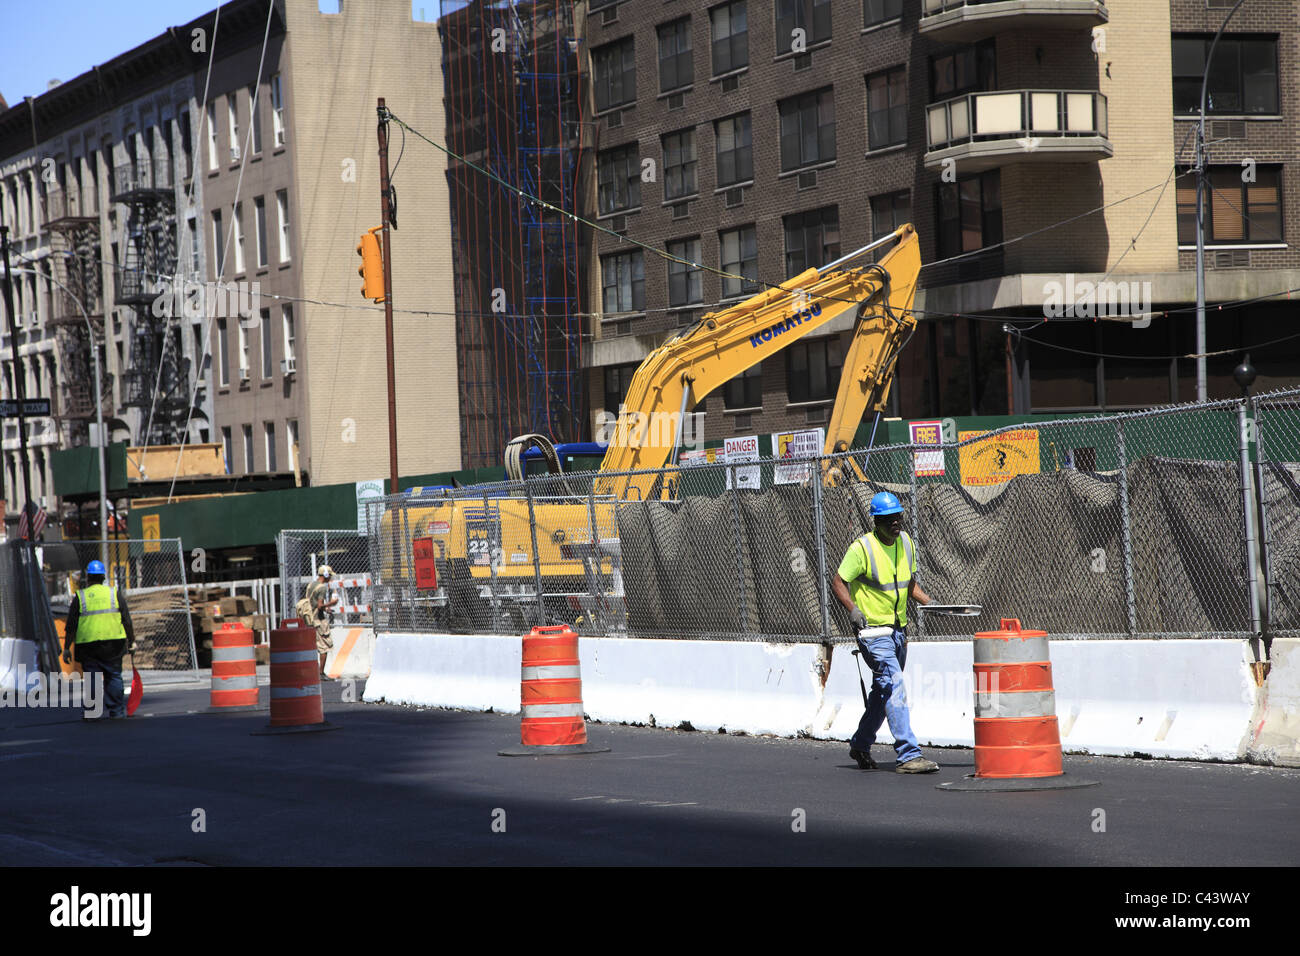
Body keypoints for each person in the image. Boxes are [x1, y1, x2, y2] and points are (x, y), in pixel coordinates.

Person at [830, 491, 940, 774]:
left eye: (898, 517)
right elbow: (839, 581)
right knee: (895, 684)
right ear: (876, 521)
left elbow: (908, 583)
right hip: (872, 634)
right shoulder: (862, 548)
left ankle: (861, 743)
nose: (895, 522)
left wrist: (931, 603)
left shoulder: (906, 544)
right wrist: (852, 609)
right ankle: (908, 754)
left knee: (884, 690)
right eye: (889, 519)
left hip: (898, 632)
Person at [63, 560, 136, 721]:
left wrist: (67, 648)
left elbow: (71, 626)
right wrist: (132, 641)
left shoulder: (80, 596)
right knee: (114, 676)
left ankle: (92, 711)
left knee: (92, 678)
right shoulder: (113, 593)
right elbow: (127, 620)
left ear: (88, 578)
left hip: (89, 646)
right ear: (103, 577)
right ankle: (116, 711)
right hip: (113, 644)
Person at [296, 565, 339, 679]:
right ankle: (321, 673)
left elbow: (312, 602)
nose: (330, 578)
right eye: (329, 575)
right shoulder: (322, 588)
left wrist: (325, 609)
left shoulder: (311, 585)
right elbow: (319, 605)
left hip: (309, 619)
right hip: (318, 620)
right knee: (324, 647)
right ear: (325, 575)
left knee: (311, 646)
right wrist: (332, 603)